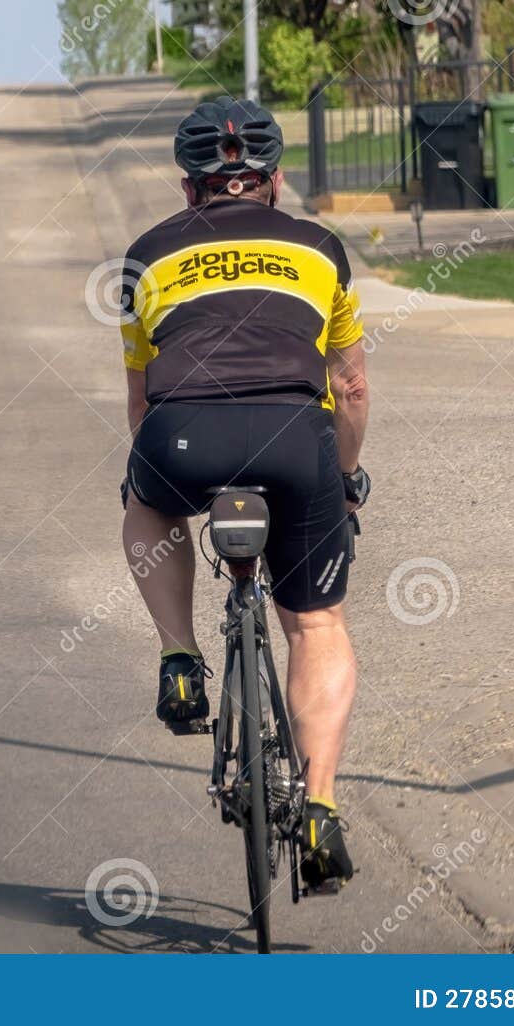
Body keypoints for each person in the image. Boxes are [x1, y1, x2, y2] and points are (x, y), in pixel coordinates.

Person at [117, 96, 370, 889]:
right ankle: (322, 808)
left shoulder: (146, 256)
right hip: (297, 441)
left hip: (183, 435)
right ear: (276, 181)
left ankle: (181, 656)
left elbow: (140, 397)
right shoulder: (320, 248)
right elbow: (352, 384)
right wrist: (347, 476)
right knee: (317, 622)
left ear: (187, 187)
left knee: (145, 500)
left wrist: (150, 466)